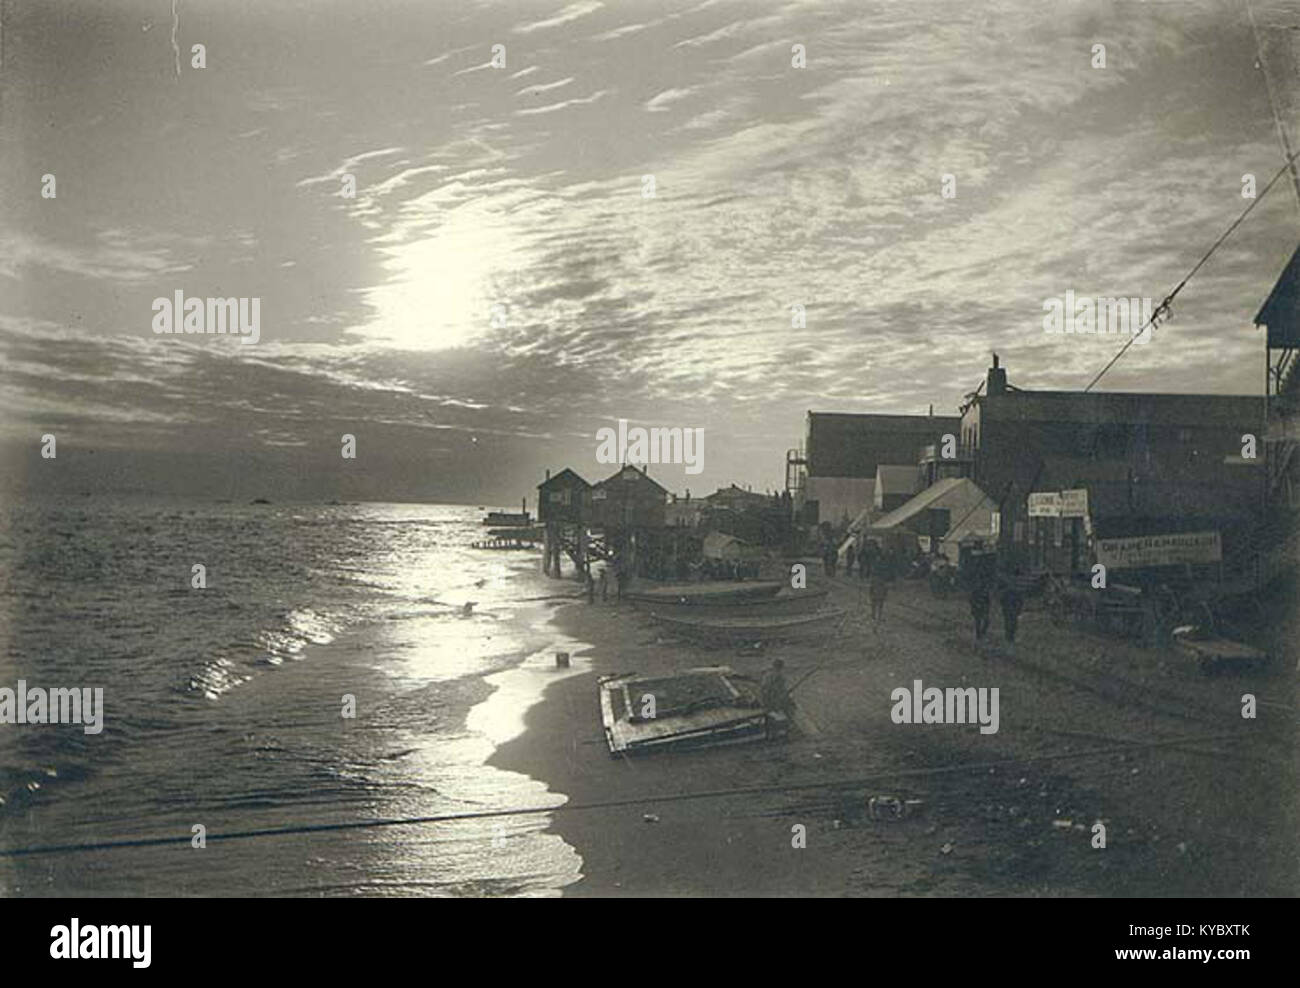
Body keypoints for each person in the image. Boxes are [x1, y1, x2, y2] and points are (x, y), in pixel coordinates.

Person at [760, 658, 795, 732]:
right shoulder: (779, 676)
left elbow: (764, 688)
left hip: (768, 698)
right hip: (776, 698)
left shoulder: (767, 675)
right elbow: (780, 689)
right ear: (781, 667)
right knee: (789, 709)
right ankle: (789, 725)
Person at [868, 547, 893, 627]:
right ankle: (877, 616)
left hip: (877, 583)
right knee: (880, 601)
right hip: (881, 583)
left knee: (874, 601)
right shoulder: (886, 565)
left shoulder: (877, 565)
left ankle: (874, 615)